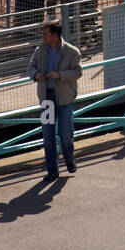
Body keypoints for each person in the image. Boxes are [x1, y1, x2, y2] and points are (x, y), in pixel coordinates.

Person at [28, 21, 82, 181]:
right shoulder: (40, 51)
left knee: (65, 134)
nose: (42, 37)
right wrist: (36, 75)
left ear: (55, 35)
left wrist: (60, 75)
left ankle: (69, 160)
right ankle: (52, 170)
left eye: (45, 34)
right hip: (46, 98)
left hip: (64, 98)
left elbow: (78, 72)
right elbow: (31, 67)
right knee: (48, 136)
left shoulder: (72, 52)